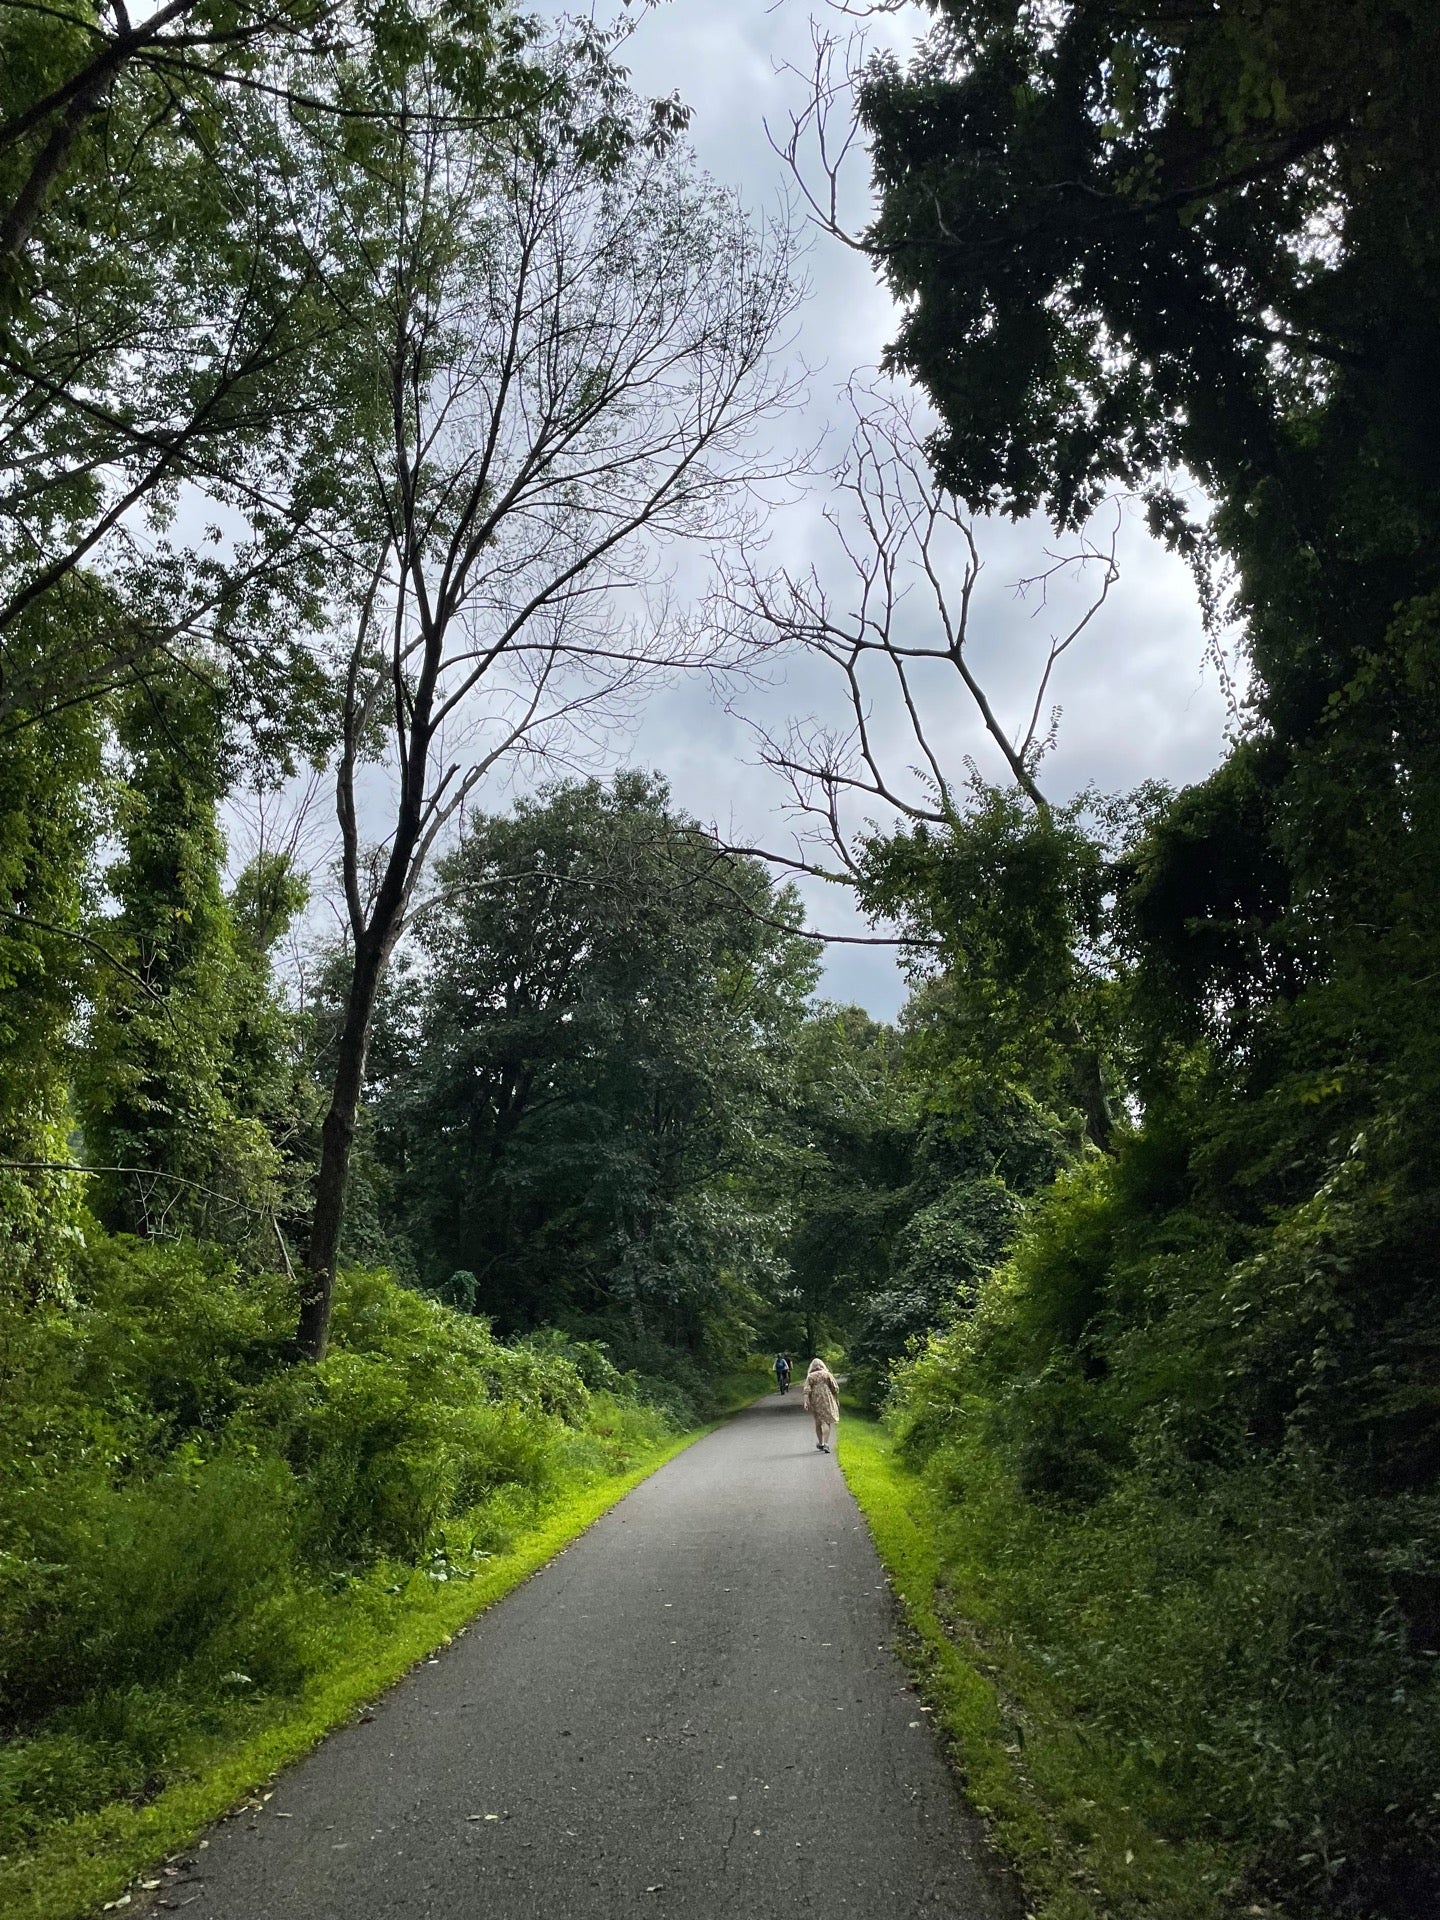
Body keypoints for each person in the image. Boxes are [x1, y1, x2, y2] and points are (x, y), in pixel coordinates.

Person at [803, 1358, 840, 1452]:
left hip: (815, 1400)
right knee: (826, 1421)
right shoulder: (827, 1374)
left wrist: (806, 1401)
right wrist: (835, 1398)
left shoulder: (810, 1376)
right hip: (827, 1398)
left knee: (818, 1422)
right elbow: (835, 1388)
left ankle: (821, 1443)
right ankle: (826, 1444)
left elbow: (806, 1390)